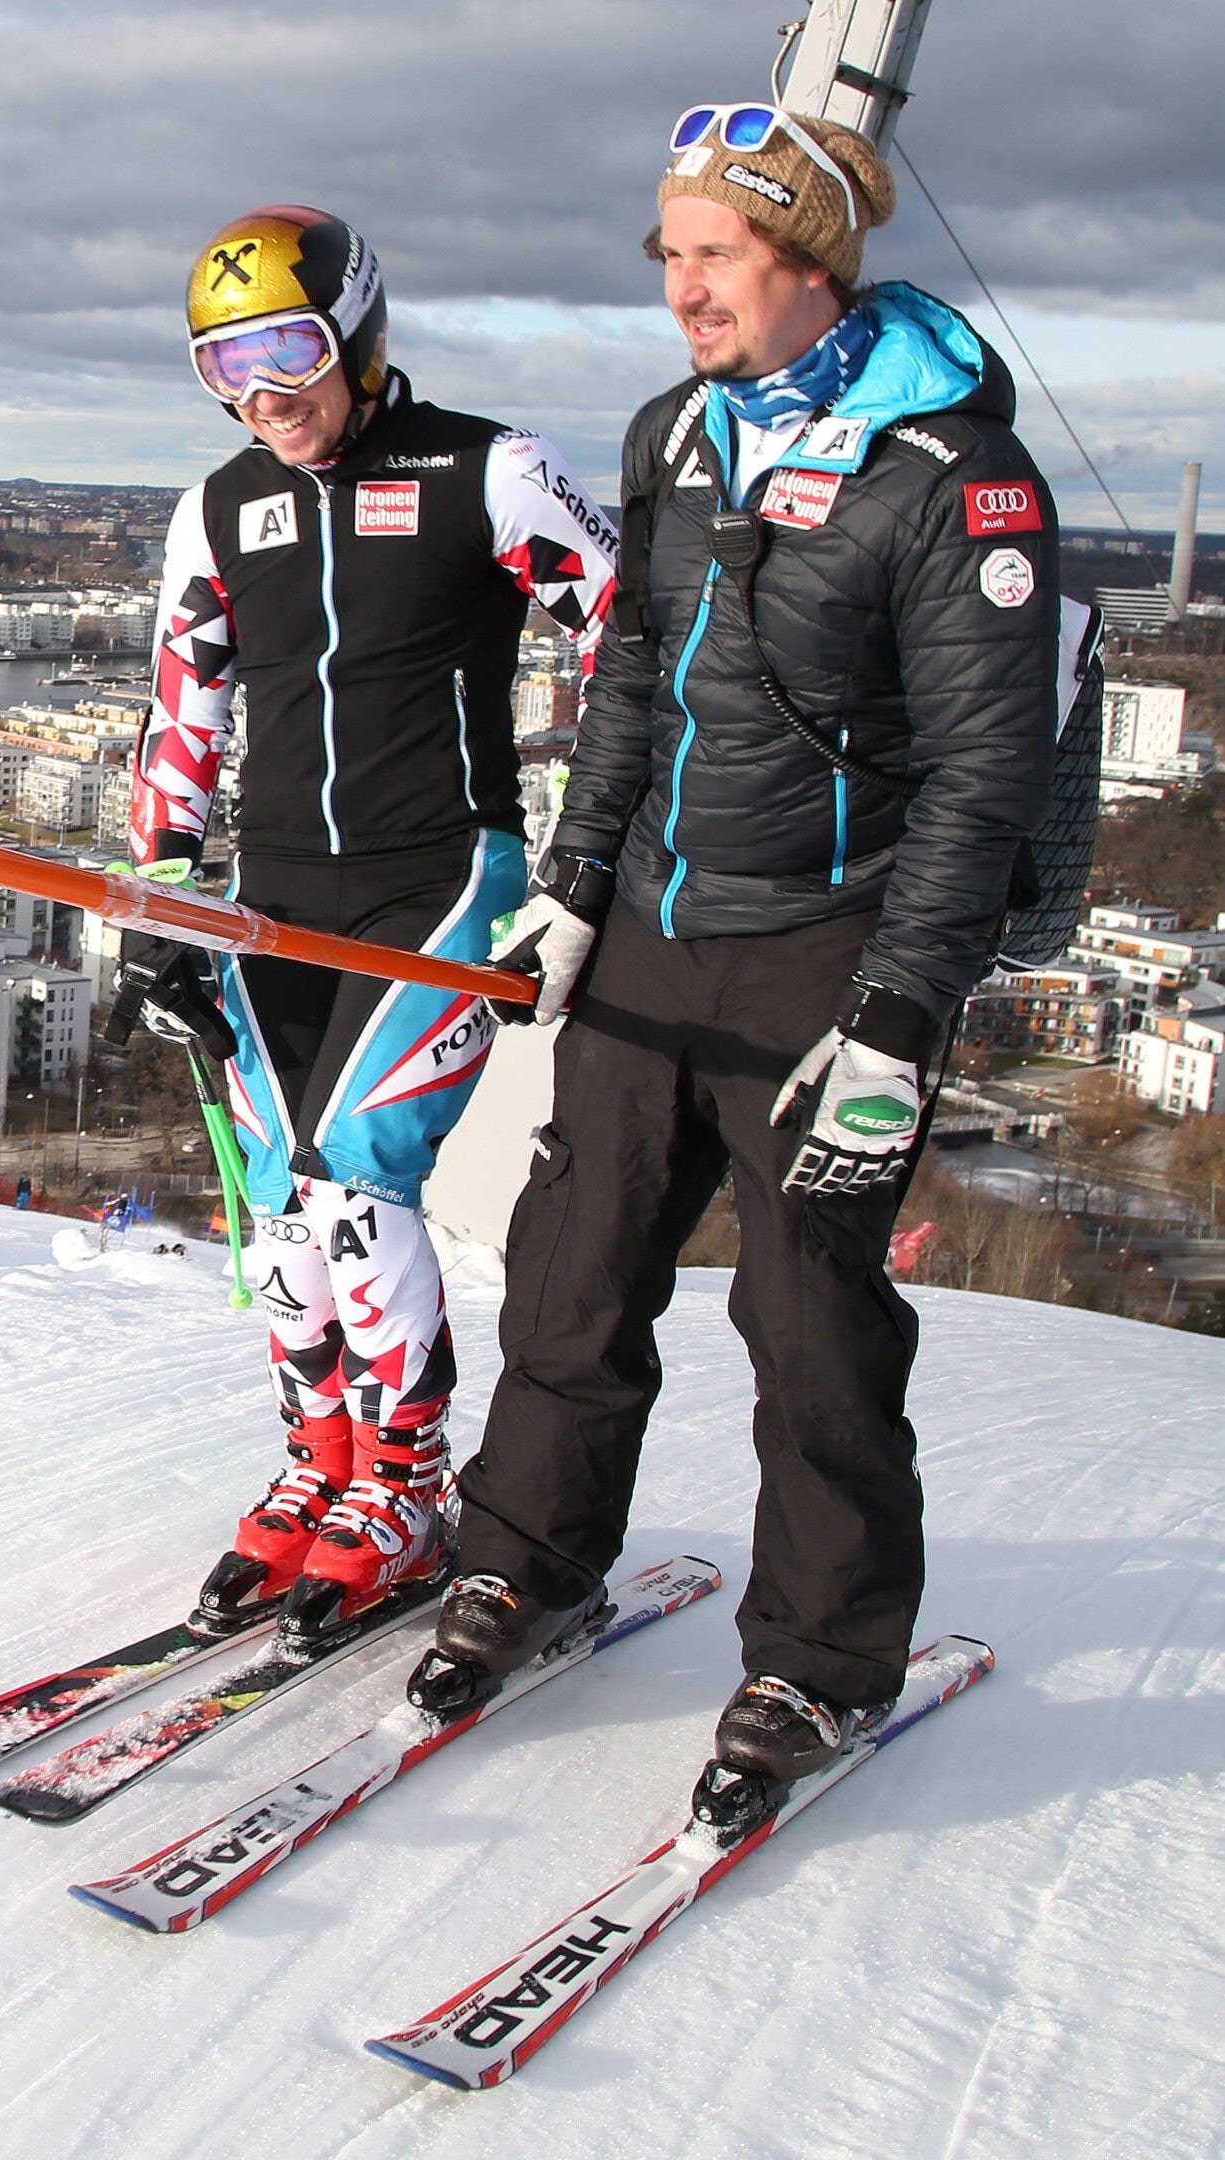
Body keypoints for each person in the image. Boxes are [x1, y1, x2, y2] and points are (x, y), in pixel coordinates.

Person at [418, 108, 1063, 1805]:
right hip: (653, 926)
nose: (679, 283)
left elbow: (988, 772)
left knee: (813, 1322)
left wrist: (901, 1012)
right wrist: (574, 881)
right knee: (572, 1269)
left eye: (712, 251)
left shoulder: (954, 475)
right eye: (670, 251)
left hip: (830, 956)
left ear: (808, 259)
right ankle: (527, 1563)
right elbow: (633, 677)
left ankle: (822, 1663)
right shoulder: (679, 435)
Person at [121, 205, 617, 1643]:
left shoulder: (489, 469)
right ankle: (320, 1467)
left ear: (355, 329)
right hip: (275, 894)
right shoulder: (219, 505)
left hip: (442, 882)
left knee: (354, 1181)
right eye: (222, 365)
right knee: (281, 1205)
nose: (259, 395)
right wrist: (160, 902)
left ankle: (404, 1484)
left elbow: (634, 645)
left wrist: (586, 865)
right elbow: (183, 707)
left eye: (284, 350)